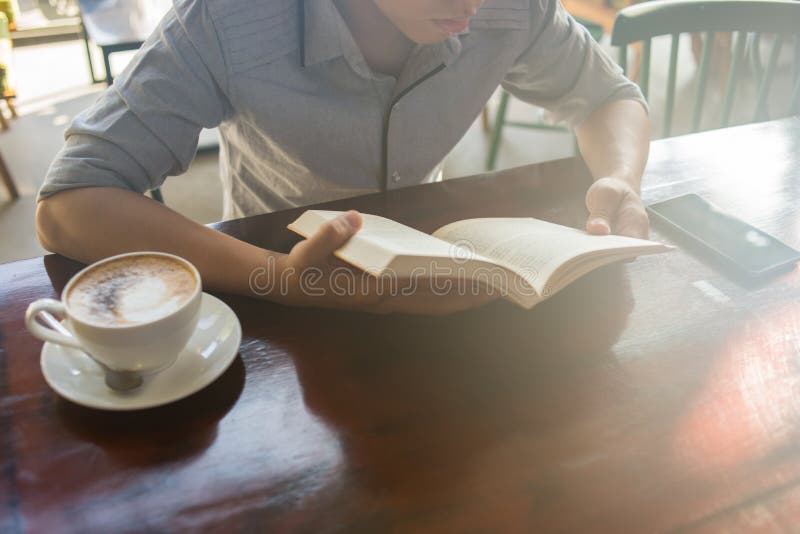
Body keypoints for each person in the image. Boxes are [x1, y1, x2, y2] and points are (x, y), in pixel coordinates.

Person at [35, 0, 650, 314]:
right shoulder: (229, 18)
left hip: (426, 263)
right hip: (266, 269)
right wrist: (278, 278)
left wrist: (621, 178)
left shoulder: (513, 8)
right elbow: (69, 203)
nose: (473, 5)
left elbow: (608, 95)